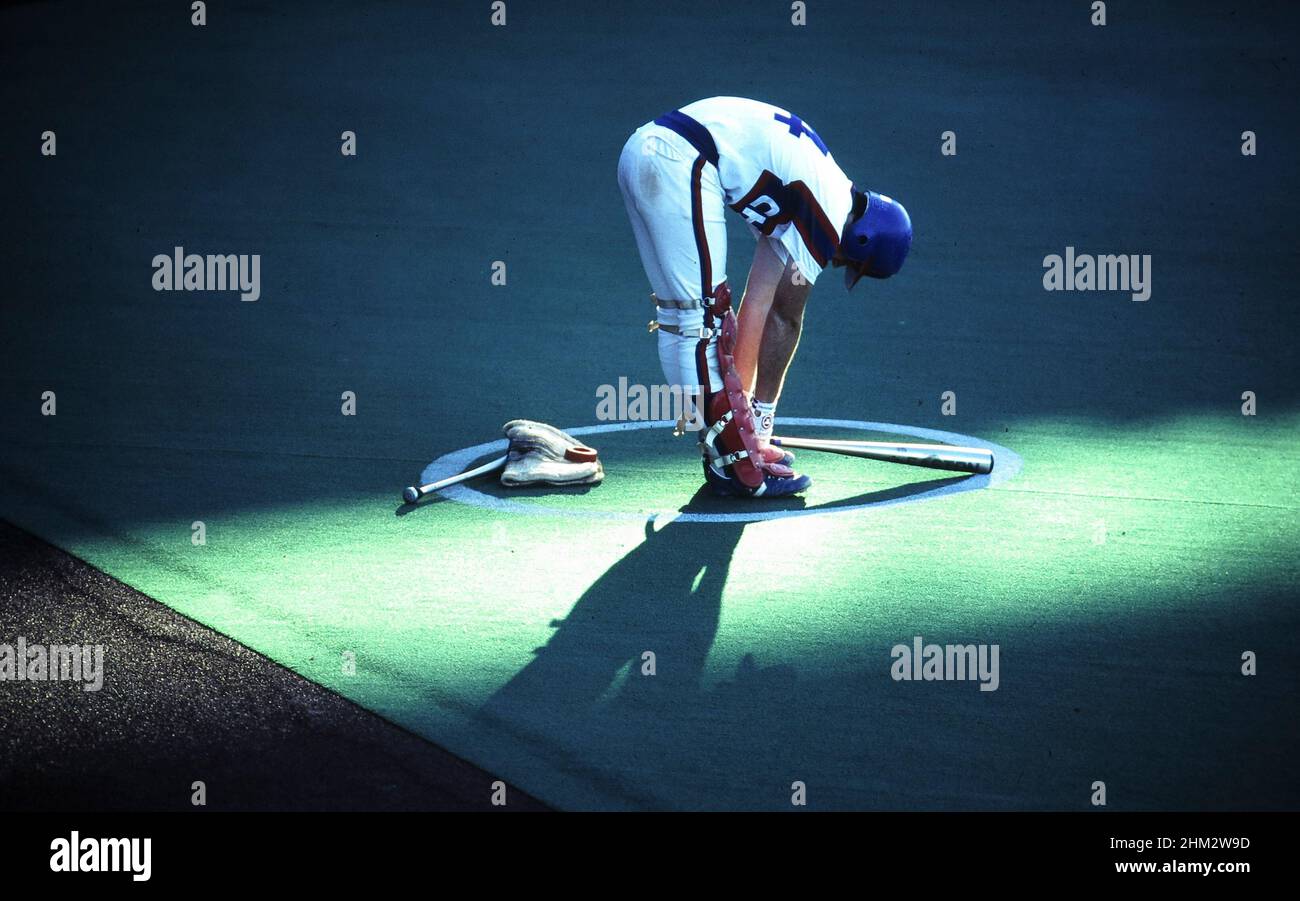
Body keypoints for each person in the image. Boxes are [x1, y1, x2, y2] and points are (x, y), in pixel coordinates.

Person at [617, 96, 912, 498]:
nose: (837, 263)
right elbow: (784, 319)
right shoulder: (828, 215)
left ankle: (725, 449)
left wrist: (746, 420)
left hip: (645, 151)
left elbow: (758, 305)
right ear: (862, 241)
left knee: (683, 315)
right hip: (680, 162)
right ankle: (736, 467)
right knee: (700, 318)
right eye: (849, 263)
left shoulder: (815, 192)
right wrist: (762, 422)